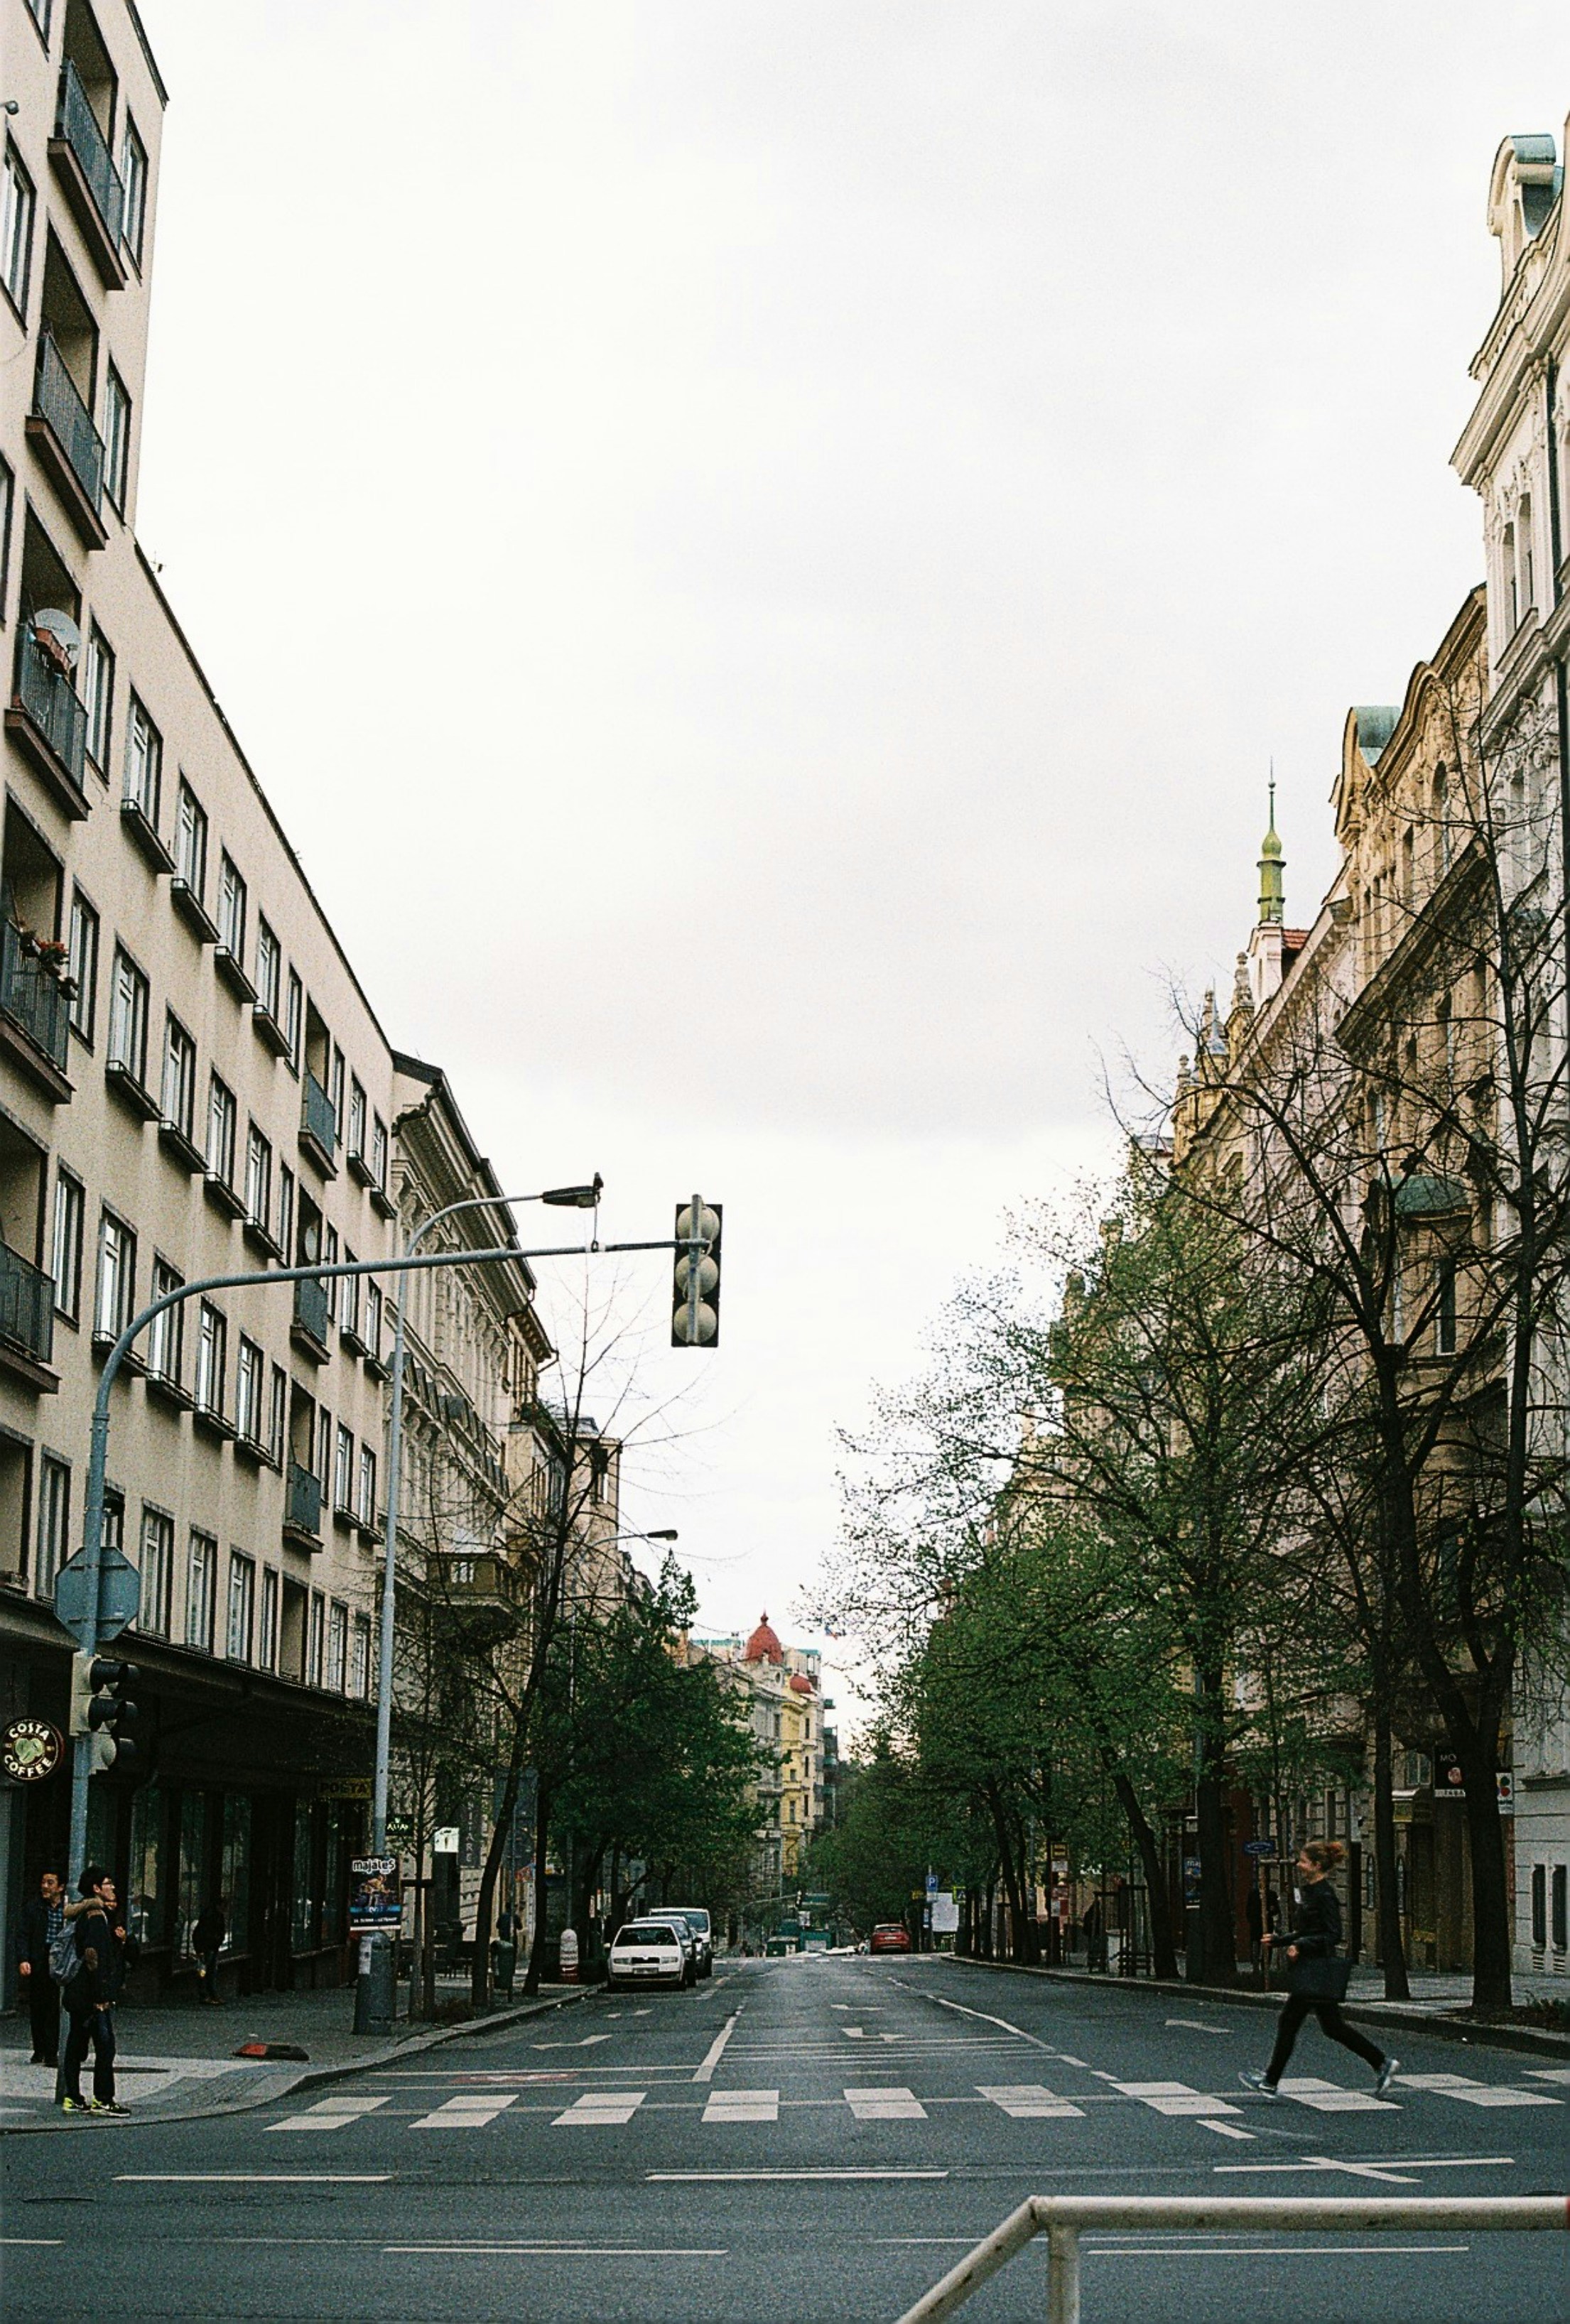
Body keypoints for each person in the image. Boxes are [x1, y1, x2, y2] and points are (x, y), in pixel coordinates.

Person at [1240, 1840, 1398, 2098]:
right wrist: (1280, 1940)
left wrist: (1300, 1945)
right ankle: (1381, 2063)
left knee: (1291, 2021)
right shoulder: (1311, 1891)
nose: (1299, 1865)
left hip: (1316, 1970)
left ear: (1315, 1865)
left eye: (1303, 1861)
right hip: (1310, 1968)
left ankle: (1270, 2081)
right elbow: (1307, 1930)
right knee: (1332, 2027)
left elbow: (1333, 1934)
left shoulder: (1325, 1895)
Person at [60, 1867, 127, 2115]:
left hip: (79, 1994)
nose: (113, 1888)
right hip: (92, 1997)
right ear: (96, 1888)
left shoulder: (87, 1915)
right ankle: (103, 2099)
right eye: (108, 1884)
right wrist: (102, 1997)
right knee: (105, 2047)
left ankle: (73, 2097)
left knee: (76, 2045)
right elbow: (94, 1959)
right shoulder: (96, 1916)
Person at [15, 1868, 65, 2067]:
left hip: (59, 1958)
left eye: (50, 1883)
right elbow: (23, 1934)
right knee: (38, 2005)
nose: (45, 1886)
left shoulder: (68, 1908)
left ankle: (52, 2051)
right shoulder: (34, 1907)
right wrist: (24, 1959)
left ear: (61, 1887)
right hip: (39, 1958)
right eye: (44, 1882)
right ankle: (40, 2049)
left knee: (55, 2006)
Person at [192, 1900, 226, 2004]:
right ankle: (207, 1995)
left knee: (207, 1972)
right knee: (206, 1972)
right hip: (208, 1948)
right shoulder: (212, 1917)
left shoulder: (214, 1916)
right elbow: (201, 1935)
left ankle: (210, 1995)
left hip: (210, 1948)